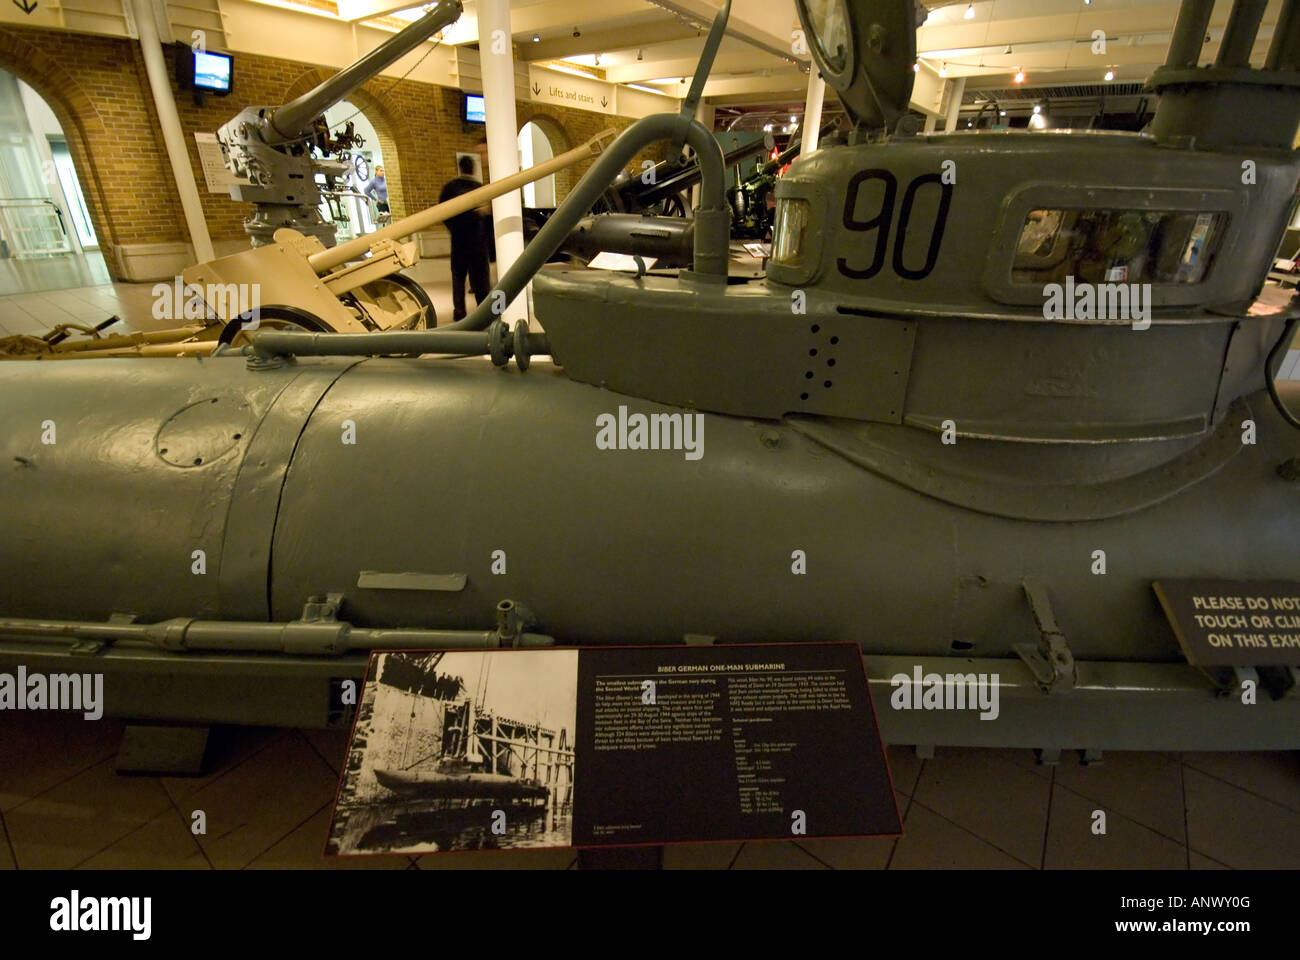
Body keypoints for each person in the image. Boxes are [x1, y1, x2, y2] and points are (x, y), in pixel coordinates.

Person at [439, 155, 492, 320]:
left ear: (460, 168)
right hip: (477, 241)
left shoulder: (450, 188)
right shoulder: (480, 188)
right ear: (473, 169)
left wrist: (454, 229)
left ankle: (459, 313)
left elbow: (443, 213)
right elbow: (488, 218)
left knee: (458, 278)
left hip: (459, 241)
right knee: (480, 280)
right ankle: (483, 314)